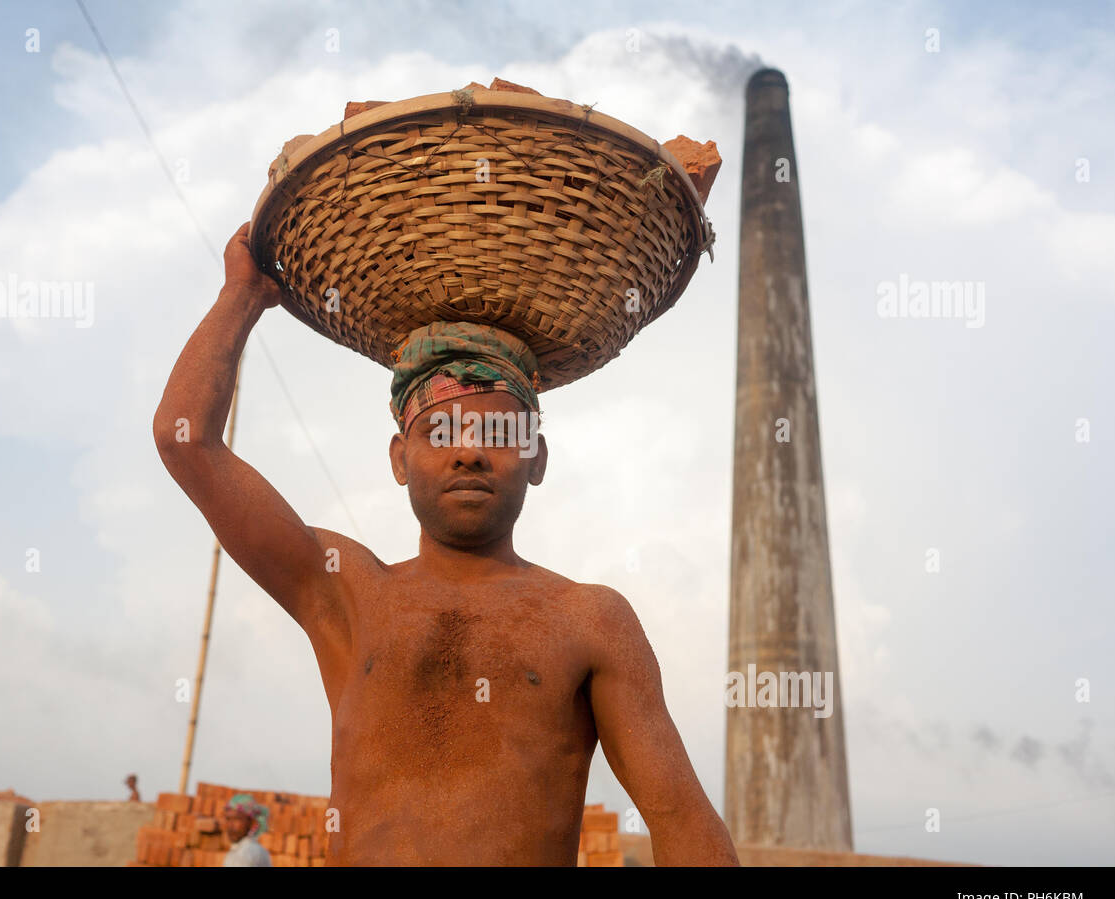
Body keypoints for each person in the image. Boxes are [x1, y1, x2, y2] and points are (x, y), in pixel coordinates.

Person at [152, 222, 739, 866]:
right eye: (440, 434)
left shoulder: (590, 620)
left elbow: (680, 818)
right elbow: (187, 440)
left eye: (495, 432)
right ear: (400, 459)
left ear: (535, 458)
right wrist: (243, 295)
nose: (467, 453)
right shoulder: (346, 589)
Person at [221, 794, 273, 867]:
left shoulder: (247, 853)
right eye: (228, 819)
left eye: (236, 819)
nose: (230, 825)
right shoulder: (238, 850)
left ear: (251, 822)